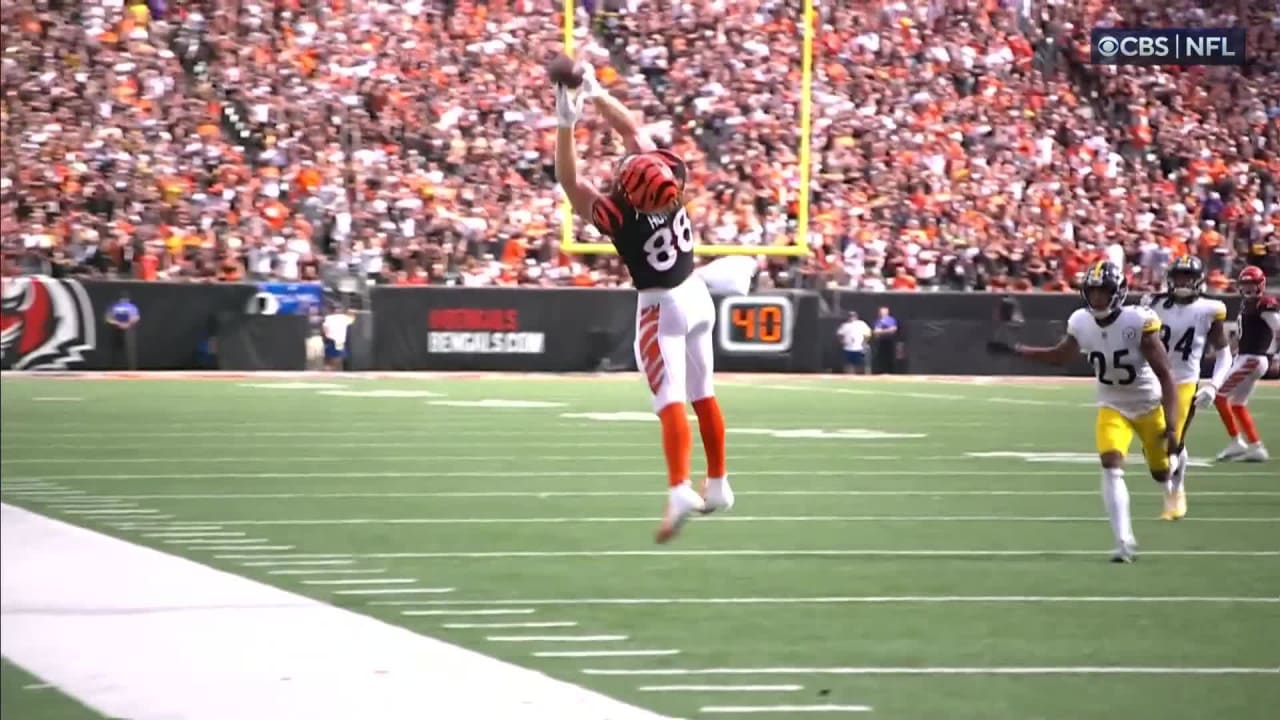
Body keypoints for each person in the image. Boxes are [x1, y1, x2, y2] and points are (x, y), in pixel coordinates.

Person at [553, 59, 731, 543]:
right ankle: (718, 484)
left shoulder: (620, 217)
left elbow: (570, 183)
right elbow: (633, 131)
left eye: (623, 171)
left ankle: (679, 487)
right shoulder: (669, 178)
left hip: (660, 307)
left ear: (629, 192)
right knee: (704, 392)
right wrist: (594, 91)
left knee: (670, 398)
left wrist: (566, 124)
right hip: (695, 293)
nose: (621, 165)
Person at [1014, 261, 1180, 563]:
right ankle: (1123, 540)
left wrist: (1172, 423)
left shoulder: (1137, 321)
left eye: (1103, 292)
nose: (1098, 299)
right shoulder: (1081, 321)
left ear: (1117, 292)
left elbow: (1166, 373)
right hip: (1111, 405)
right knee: (1110, 463)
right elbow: (1060, 356)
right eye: (1093, 292)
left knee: (1160, 471)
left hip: (1147, 404)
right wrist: (1025, 352)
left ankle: (1172, 483)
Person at [1143, 255, 1233, 520]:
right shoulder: (1154, 305)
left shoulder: (1210, 309)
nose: (1182, 282)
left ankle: (1175, 493)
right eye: (1179, 276)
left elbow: (1224, 354)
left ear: (1198, 280)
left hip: (1183, 381)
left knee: (1171, 438)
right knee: (1153, 447)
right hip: (1152, 380)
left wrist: (1213, 386)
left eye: (1187, 277)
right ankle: (1173, 487)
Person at [1213, 265, 1278, 462]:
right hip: (1247, 357)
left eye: (1252, 285)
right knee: (1238, 404)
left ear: (1261, 284)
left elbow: (1279, 329)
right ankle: (1255, 446)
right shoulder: (1247, 305)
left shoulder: (1264, 304)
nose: (1248, 289)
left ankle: (1236, 442)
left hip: (1254, 359)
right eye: (1245, 285)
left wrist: (1276, 355)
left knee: (1219, 396)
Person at [104, 293, 140, 370]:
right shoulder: (117, 306)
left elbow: (136, 317)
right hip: (119, 329)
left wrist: (122, 324)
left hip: (124, 329)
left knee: (129, 351)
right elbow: (136, 317)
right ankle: (113, 368)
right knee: (115, 351)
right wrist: (123, 324)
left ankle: (131, 369)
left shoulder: (126, 306)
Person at [871, 307, 897, 374]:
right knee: (880, 358)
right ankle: (881, 372)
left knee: (889, 357)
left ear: (887, 312)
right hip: (880, 342)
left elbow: (893, 330)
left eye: (883, 312)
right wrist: (884, 331)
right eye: (880, 312)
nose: (881, 313)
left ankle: (890, 372)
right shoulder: (878, 321)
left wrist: (882, 331)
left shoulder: (890, 320)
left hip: (889, 342)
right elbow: (875, 331)